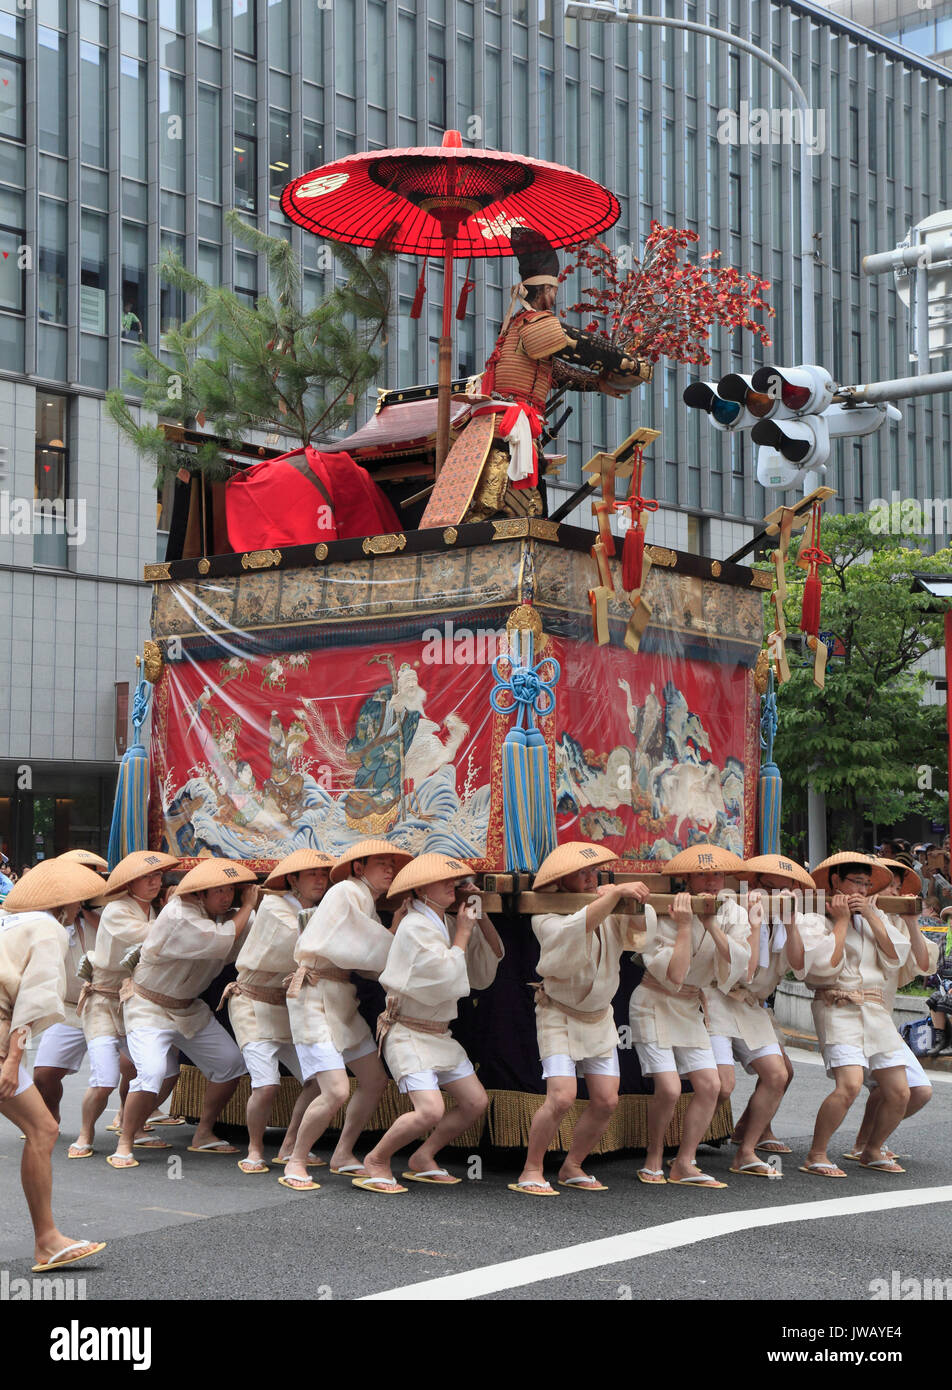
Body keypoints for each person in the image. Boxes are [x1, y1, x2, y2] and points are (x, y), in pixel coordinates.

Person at [459, 227, 651, 524]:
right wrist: (629, 364)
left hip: (509, 426)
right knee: (508, 509)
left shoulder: (519, 326)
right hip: (507, 428)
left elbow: (557, 373)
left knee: (523, 508)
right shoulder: (537, 322)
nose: (556, 296)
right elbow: (581, 345)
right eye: (555, 290)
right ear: (544, 290)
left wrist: (596, 382)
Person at [358, 854, 504, 1194]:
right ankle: (376, 1160)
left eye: (452, 881)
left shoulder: (443, 922)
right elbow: (443, 974)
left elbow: (491, 957)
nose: (450, 886)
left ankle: (423, 1156)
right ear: (421, 888)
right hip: (407, 1031)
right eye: (443, 882)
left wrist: (476, 915)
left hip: (439, 1033)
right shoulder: (414, 926)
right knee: (430, 1110)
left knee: (475, 1102)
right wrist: (464, 931)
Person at [511, 841, 650, 1197]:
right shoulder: (545, 913)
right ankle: (532, 1168)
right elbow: (572, 933)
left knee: (606, 1100)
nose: (591, 879)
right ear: (561, 881)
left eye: (594, 872)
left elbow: (639, 935)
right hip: (559, 1013)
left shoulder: (607, 902)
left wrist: (629, 900)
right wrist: (610, 895)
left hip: (599, 1016)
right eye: (582, 873)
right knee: (561, 1097)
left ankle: (573, 1165)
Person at [281, 839, 412, 1191]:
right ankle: (295, 1159)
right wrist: (398, 933)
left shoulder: (362, 899)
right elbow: (366, 947)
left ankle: (341, 1152)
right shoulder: (346, 892)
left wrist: (395, 930)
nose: (389, 869)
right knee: (335, 1090)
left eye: (392, 864)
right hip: (313, 996)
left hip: (339, 996)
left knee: (373, 1080)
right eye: (381, 863)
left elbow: (366, 953)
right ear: (358, 867)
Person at [109, 857, 256, 1169]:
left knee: (231, 1063)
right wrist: (248, 906)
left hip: (188, 1009)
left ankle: (203, 1132)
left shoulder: (225, 915)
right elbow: (219, 941)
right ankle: (126, 1140)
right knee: (151, 1072)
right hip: (148, 1006)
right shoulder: (178, 914)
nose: (226, 897)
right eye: (219, 891)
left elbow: (239, 933)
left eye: (231, 890)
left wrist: (252, 907)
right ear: (199, 893)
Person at [0, 857, 108, 1272]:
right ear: (69, 902)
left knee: (41, 1128)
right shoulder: (48, 928)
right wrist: (12, 1060)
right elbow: (34, 995)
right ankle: (46, 1241)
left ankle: (48, 1239)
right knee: (42, 1128)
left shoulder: (11, 920)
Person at [629, 844, 750, 1189]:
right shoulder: (661, 909)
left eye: (717, 874)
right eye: (702, 874)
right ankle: (653, 1158)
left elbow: (741, 963)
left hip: (690, 1006)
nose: (712, 881)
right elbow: (676, 974)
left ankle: (685, 1161)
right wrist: (685, 926)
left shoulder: (733, 912)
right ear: (686, 878)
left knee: (711, 1085)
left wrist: (711, 925)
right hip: (654, 1000)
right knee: (668, 1088)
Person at [223, 848, 336, 1176]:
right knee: (267, 1084)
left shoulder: (315, 911)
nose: (320, 879)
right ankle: (255, 1147)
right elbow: (304, 944)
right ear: (293, 880)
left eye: (323, 874)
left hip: (286, 1007)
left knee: (318, 1079)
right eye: (312, 874)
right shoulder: (273, 906)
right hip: (251, 1003)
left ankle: (289, 1145)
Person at [796, 852, 910, 1177]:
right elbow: (821, 967)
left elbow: (895, 958)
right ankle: (816, 1153)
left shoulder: (877, 917)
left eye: (865, 883)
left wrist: (872, 916)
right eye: (854, 881)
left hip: (875, 1011)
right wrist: (843, 920)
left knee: (900, 1090)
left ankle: (872, 1149)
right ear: (835, 881)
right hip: (837, 1007)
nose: (860, 888)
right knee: (850, 1084)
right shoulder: (815, 917)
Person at [68, 850, 181, 1159]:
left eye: (157, 876)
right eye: (147, 877)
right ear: (130, 884)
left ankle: (134, 1123)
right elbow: (154, 938)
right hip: (103, 1001)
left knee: (167, 1069)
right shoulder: (118, 909)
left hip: (134, 1001)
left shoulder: (153, 912)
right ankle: (85, 1132)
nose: (155, 882)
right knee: (104, 1078)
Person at [725, 854, 827, 1176]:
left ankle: (747, 1144)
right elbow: (744, 971)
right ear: (754, 884)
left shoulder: (790, 917)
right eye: (771, 888)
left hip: (754, 1006)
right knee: (717, 1085)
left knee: (781, 1073)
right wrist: (756, 916)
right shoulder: (735, 907)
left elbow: (798, 966)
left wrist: (791, 917)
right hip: (719, 998)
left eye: (786, 890)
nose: (777, 896)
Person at [843, 857, 937, 1159]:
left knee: (912, 1089)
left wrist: (911, 920)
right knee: (883, 1087)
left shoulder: (894, 921)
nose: (895, 893)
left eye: (898, 888)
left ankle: (866, 1142)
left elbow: (923, 965)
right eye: (889, 887)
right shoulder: (847, 914)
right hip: (849, 1013)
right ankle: (865, 1145)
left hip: (881, 1019)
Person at [32, 851, 110, 1124]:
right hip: (68, 1007)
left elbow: (124, 941)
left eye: (90, 874)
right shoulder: (50, 913)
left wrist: (89, 913)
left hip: (110, 1004)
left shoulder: (112, 907)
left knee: (132, 1066)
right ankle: (50, 1117)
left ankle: (130, 1120)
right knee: (43, 1074)